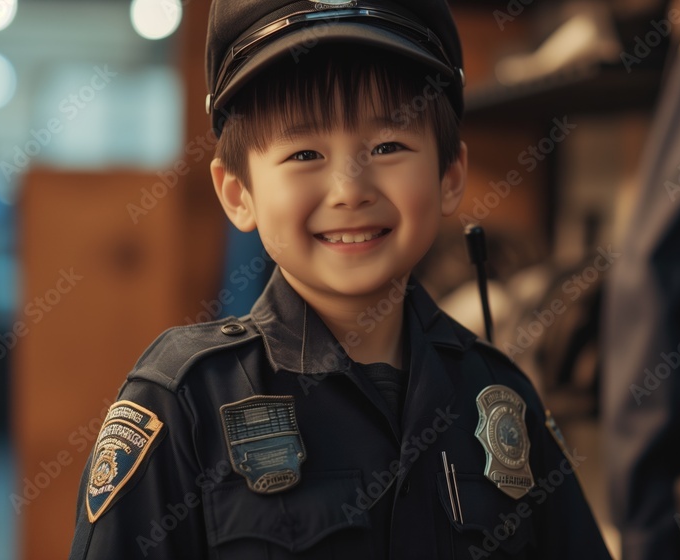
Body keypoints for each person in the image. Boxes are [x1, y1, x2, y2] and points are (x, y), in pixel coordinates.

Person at [67, 1, 611, 558]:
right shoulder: (185, 402)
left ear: (450, 176)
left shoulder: (500, 397)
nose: (350, 189)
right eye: (305, 153)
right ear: (238, 193)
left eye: (388, 147)